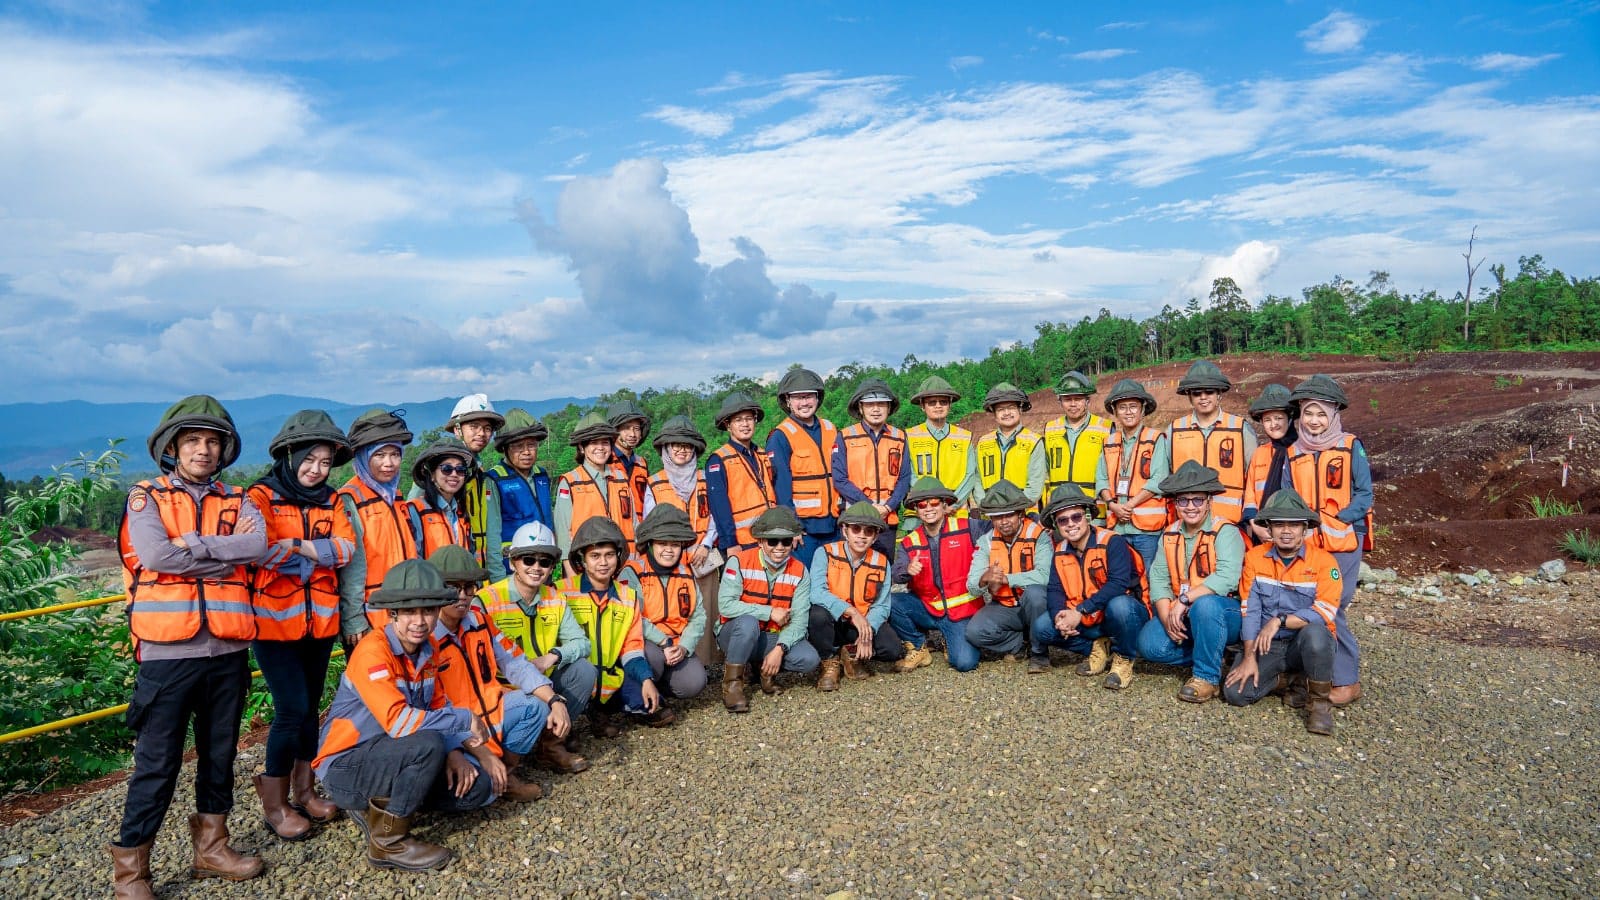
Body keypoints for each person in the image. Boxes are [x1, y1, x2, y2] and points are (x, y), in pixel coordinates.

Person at [110, 396, 267, 897]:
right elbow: (155, 554)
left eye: (213, 441)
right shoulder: (146, 496)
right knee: (157, 763)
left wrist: (192, 548)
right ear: (173, 446)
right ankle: (132, 871)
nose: (204, 449)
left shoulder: (239, 499)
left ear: (223, 450)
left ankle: (212, 849)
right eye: (194, 440)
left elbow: (256, 547)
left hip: (227, 652)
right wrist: (222, 557)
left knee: (220, 754)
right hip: (168, 654)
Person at [313, 560, 501, 872]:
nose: (420, 620)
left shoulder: (429, 649)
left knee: (477, 788)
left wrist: (454, 752)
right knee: (426, 743)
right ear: (393, 613)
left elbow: (436, 704)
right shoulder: (373, 650)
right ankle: (389, 842)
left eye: (428, 611)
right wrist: (464, 720)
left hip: (397, 757)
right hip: (347, 766)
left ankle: (380, 808)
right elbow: (399, 722)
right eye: (410, 611)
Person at [246, 410, 354, 842]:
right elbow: (257, 550)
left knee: (310, 710)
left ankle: (305, 791)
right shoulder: (260, 497)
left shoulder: (333, 500)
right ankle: (274, 806)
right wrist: (316, 555)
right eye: (310, 459)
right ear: (290, 455)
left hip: (320, 623)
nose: (316, 470)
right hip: (274, 626)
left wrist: (298, 546)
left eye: (325, 462)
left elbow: (346, 549)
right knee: (290, 710)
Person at [427, 545, 558, 800]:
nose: (463, 595)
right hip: (455, 731)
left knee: (537, 705)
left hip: (489, 715)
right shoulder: (424, 637)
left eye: (469, 587)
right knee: (480, 792)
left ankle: (506, 774)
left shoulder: (479, 620)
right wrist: (471, 750)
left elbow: (515, 663)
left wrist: (554, 699)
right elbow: (431, 710)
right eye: (453, 588)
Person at [475, 522, 594, 775]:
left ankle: (550, 745)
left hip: (543, 681)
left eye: (545, 561)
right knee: (533, 704)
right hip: (504, 689)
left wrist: (552, 657)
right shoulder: (486, 600)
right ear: (513, 562)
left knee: (584, 671)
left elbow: (582, 643)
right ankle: (505, 765)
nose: (536, 568)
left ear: (553, 566)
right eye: (528, 559)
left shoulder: (554, 597)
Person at [1223, 489, 1343, 734]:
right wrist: (1248, 657)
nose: (1286, 531)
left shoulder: (1324, 562)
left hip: (1303, 643)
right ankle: (1293, 682)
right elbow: (1250, 610)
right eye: (1279, 525)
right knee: (1235, 694)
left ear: (1305, 528)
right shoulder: (1255, 558)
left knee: (1316, 634)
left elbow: (1325, 612)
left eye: (1294, 525)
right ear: (1269, 529)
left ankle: (1319, 705)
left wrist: (1279, 621)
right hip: (1269, 644)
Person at [1285, 374, 1373, 708]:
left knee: (1332, 608)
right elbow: (1288, 496)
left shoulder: (1351, 446)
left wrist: (1337, 519)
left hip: (1344, 543)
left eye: (1321, 413)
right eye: (1309, 412)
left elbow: (1365, 494)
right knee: (1308, 607)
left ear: (1334, 413)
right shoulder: (1294, 452)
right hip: (1308, 545)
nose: (1314, 420)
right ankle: (1319, 677)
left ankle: (1347, 681)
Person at [1135, 461, 1247, 704]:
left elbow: (1228, 577)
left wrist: (1185, 599)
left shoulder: (1225, 530)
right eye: (1183, 501)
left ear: (1209, 501)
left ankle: (1206, 677)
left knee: (1205, 606)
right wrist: (1167, 619)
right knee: (1149, 646)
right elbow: (1159, 578)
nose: (1191, 507)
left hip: (1223, 611)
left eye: (1197, 500)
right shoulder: (1170, 532)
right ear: (1176, 504)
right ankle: (1212, 653)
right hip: (1182, 611)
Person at [555, 516, 670, 732]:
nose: (603, 562)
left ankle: (603, 710)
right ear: (582, 560)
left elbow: (632, 649)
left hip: (611, 676)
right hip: (574, 676)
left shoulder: (628, 596)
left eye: (609, 555)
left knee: (652, 703)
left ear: (618, 557)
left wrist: (646, 679)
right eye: (595, 556)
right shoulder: (561, 592)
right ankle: (574, 718)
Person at [1031, 484, 1150, 688]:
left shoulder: (1113, 541)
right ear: (1057, 525)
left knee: (1120, 605)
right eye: (1063, 520)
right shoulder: (1060, 550)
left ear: (1087, 517)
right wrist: (1060, 614)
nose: (1071, 524)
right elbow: (1054, 589)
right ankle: (1098, 647)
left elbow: (1118, 584)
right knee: (1042, 627)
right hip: (1090, 620)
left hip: (1124, 615)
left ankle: (1124, 657)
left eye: (1076, 517)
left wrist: (1079, 611)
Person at [715, 507, 821, 711]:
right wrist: (769, 612)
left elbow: (799, 621)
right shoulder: (738, 562)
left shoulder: (800, 570)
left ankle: (763, 669)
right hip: (736, 634)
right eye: (772, 541)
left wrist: (779, 650)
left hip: (771, 637)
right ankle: (733, 686)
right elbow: (726, 606)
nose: (779, 547)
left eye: (786, 541)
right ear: (760, 541)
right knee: (747, 623)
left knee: (809, 660)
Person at [643, 415, 722, 663]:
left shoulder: (705, 478)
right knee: (674, 610)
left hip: (703, 557)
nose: (681, 450)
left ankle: (706, 662)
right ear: (665, 449)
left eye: (687, 446)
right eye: (675, 445)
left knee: (706, 610)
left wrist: (706, 544)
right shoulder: (654, 483)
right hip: (669, 559)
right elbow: (650, 522)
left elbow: (716, 516)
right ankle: (674, 659)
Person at [336, 408, 416, 646]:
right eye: (380, 455)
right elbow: (352, 565)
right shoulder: (350, 499)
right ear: (363, 456)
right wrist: (353, 619)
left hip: (407, 612)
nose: (389, 463)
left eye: (395, 454)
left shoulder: (397, 497)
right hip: (373, 617)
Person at [889, 476, 983, 673]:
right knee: (891, 602)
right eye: (922, 505)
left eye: (933, 503)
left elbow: (999, 529)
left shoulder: (968, 527)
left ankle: (950, 639)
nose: (928, 508)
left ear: (945, 505)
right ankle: (918, 645)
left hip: (961, 612)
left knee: (965, 663)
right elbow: (896, 574)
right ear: (916, 509)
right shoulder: (910, 541)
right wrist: (906, 571)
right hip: (927, 608)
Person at [807, 502, 904, 690]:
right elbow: (817, 592)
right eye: (856, 529)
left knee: (893, 649)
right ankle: (829, 662)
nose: (861, 535)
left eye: (869, 531)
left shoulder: (881, 562)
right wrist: (850, 611)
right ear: (845, 531)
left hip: (860, 625)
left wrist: (869, 630)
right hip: (833, 621)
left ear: (875, 536)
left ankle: (851, 653)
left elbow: (882, 606)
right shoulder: (825, 553)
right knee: (816, 615)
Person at [617, 505, 709, 703]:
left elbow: (698, 615)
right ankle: (637, 696)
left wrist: (683, 647)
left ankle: (659, 692)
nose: (669, 550)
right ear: (650, 543)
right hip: (645, 643)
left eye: (675, 544)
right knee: (653, 658)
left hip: (675, 645)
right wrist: (663, 642)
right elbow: (633, 618)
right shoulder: (632, 572)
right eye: (662, 543)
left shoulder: (686, 573)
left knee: (695, 682)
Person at [962, 481, 1053, 664]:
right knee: (975, 632)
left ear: (1021, 513)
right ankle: (1020, 644)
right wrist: (983, 579)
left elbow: (1045, 576)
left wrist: (1006, 579)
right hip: (1006, 607)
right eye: (997, 517)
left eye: (1009, 515)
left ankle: (1039, 654)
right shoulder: (986, 541)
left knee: (1036, 595)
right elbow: (971, 586)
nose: (1003, 521)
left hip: (1036, 606)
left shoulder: (1039, 536)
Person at [766, 367, 841, 563]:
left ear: (818, 398)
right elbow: (781, 487)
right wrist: (792, 526)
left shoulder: (831, 428)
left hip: (834, 526)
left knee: (833, 582)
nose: (804, 402)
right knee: (804, 583)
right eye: (798, 397)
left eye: (809, 396)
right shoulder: (780, 436)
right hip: (804, 531)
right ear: (788, 401)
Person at [1167, 361, 1255, 526]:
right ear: (1189, 396)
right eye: (1197, 393)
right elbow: (1167, 475)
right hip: (1187, 522)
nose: (1203, 397)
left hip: (1231, 522)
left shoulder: (1240, 428)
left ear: (1219, 394)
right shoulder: (1175, 430)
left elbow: (1253, 476)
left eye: (1209, 391)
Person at [1095, 379, 1170, 566]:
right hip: (1116, 527)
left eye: (1133, 406)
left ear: (1143, 409)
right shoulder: (1108, 442)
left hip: (1147, 531)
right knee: (1122, 577)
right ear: (1115, 411)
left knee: (1148, 578)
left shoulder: (1155, 438)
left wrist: (1128, 506)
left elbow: (1159, 480)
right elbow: (1101, 479)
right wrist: (1113, 506)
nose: (1128, 412)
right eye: (1122, 407)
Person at [833, 377, 911, 556]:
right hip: (855, 518)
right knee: (851, 571)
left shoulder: (899, 437)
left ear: (889, 407)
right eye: (869, 404)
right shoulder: (845, 436)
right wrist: (868, 506)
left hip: (887, 517)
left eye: (882, 404)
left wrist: (888, 507)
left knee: (883, 570)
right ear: (860, 407)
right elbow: (840, 479)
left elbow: (904, 477)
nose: (876, 409)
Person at [435, 394, 505, 575]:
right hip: (446, 576)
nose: (481, 433)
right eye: (474, 426)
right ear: (457, 430)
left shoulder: (485, 480)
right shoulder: (437, 474)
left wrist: (496, 579)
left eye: (487, 428)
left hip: (479, 579)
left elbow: (493, 539)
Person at [553, 411, 638, 557]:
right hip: (586, 564)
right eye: (593, 442)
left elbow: (634, 522)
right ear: (581, 447)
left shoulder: (621, 477)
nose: (600, 448)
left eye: (605, 442)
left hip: (626, 561)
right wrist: (570, 569)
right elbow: (563, 532)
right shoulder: (570, 482)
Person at [705, 391, 777, 553]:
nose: (745, 424)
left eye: (749, 419)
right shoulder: (719, 459)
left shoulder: (762, 454)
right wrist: (730, 543)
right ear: (727, 425)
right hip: (742, 543)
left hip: (770, 538)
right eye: (738, 420)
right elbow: (719, 507)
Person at [484, 408, 554, 572]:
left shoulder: (541, 475)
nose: (526, 452)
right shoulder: (495, 479)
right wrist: (497, 574)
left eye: (531, 445)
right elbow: (492, 534)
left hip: (543, 565)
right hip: (511, 567)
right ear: (505, 448)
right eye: (518, 446)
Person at [1041, 371, 1111, 519]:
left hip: (1093, 509)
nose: (1073, 404)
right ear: (1060, 401)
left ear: (1087, 400)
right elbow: (1044, 472)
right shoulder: (1050, 429)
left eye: (1078, 399)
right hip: (1059, 508)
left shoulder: (1105, 428)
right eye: (1067, 399)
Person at [971, 382, 1046, 507]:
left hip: (1023, 512)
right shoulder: (983, 442)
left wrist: (1014, 510)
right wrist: (985, 505)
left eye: (1011, 407)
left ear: (1020, 409)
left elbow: (1035, 485)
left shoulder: (1034, 441)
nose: (1006, 413)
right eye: (1000, 409)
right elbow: (977, 480)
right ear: (994, 414)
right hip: (990, 512)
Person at [904, 375, 974, 508]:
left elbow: (970, 475)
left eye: (943, 402)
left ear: (950, 405)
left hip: (955, 509)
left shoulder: (965, 437)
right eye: (932, 402)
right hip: (922, 508)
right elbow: (908, 473)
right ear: (922, 406)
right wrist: (931, 503)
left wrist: (953, 504)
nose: (938, 406)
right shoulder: (909, 436)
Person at [1240, 384, 1298, 544]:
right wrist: (1255, 524)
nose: (1273, 424)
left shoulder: (1303, 452)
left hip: (1295, 533)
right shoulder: (1260, 453)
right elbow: (1250, 494)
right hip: (1263, 531)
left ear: (1290, 417)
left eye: (1278, 418)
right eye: (1267, 420)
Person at [406, 436, 476, 558]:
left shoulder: (461, 514)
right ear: (432, 475)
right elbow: (413, 559)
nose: (454, 474)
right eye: (447, 469)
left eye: (460, 469)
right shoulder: (414, 511)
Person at [607, 398, 655, 508]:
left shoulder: (642, 463)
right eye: (626, 428)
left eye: (636, 429)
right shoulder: (605, 461)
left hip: (641, 524)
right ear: (615, 431)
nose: (632, 434)